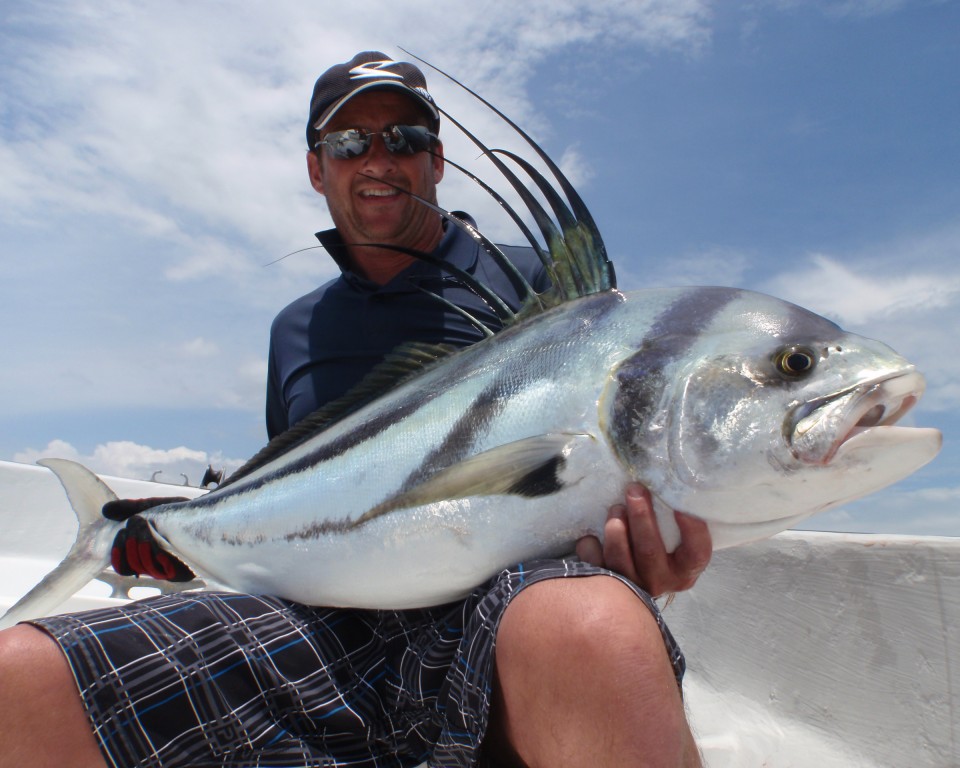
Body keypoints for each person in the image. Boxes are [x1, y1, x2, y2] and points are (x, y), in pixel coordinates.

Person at [0, 52, 712, 767]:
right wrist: (179, 536)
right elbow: (293, 486)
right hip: (324, 628)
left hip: (509, 609)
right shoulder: (296, 329)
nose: (378, 158)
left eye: (404, 138)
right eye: (348, 141)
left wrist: (649, 547)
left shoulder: (546, 289)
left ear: (436, 160)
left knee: (595, 629)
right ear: (317, 169)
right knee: (21, 678)